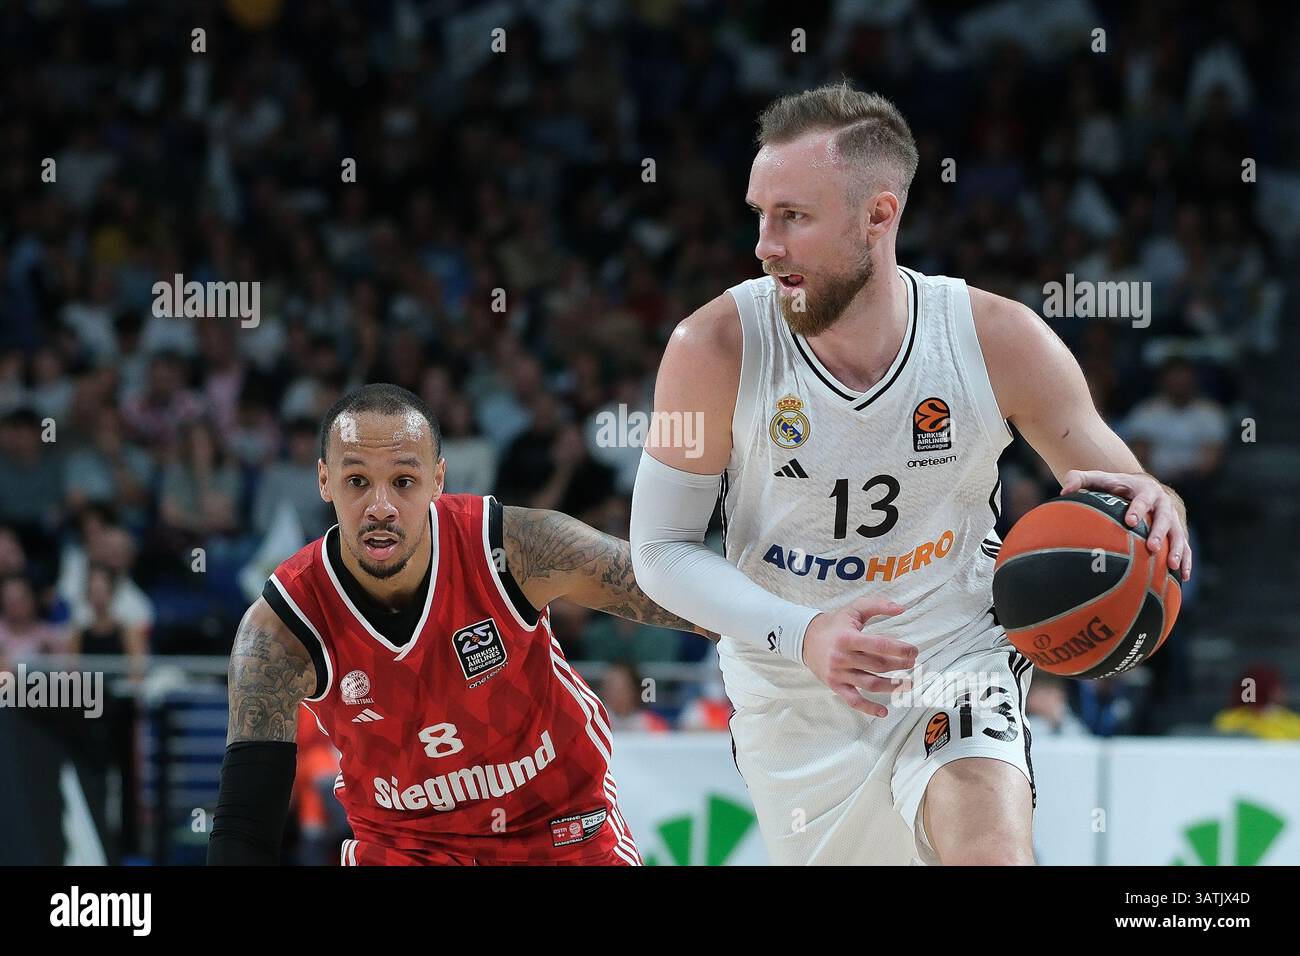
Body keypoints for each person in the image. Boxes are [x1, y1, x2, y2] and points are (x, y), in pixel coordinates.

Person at [629, 82, 1192, 866]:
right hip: (793, 683)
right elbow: (659, 550)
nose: (764, 244)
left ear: (879, 216)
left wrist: (1160, 503)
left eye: (793, 216)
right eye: (759, 214)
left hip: (954, 652)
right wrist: (804, 633)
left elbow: (1119, 484)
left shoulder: (997, 339)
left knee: (990, 849)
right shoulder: (711, 348)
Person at [208, 384, 710, 866]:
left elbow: (688, 594)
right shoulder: (281, 628)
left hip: (557, 824)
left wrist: (784, 633)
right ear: (324, 481)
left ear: (438, 479)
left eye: (403, 481)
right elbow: (245, 830)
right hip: (407, 844)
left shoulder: (514, 551)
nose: (380, 507)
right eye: (357, 481)